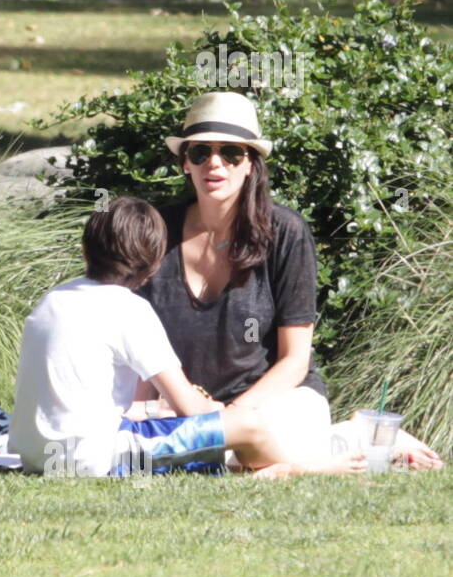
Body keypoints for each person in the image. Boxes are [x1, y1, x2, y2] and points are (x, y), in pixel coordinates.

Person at [134, 92, 443, 469]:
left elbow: (295, 360)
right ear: (185, 162)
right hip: (188, 406)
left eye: (231, 153)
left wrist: (232, 416)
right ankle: (333, 447)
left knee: (222, 450)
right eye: (200, 152)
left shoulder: (284, 232)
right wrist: (154, 408)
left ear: (251, 164)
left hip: (271, 403)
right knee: (159, 452)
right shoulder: (156, 231)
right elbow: (141, 346)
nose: (214, 163)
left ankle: (350, 438)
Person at [9, 196, 359, 478]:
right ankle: (301, 467)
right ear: (154, 266)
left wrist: (151, 409)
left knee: (187, 437)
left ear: (85, 251)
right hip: (94, 460)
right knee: (247, 425)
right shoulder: (129, 310)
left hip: (35, 456)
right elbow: (189, 408)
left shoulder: (51, 301)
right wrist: (217, 411)